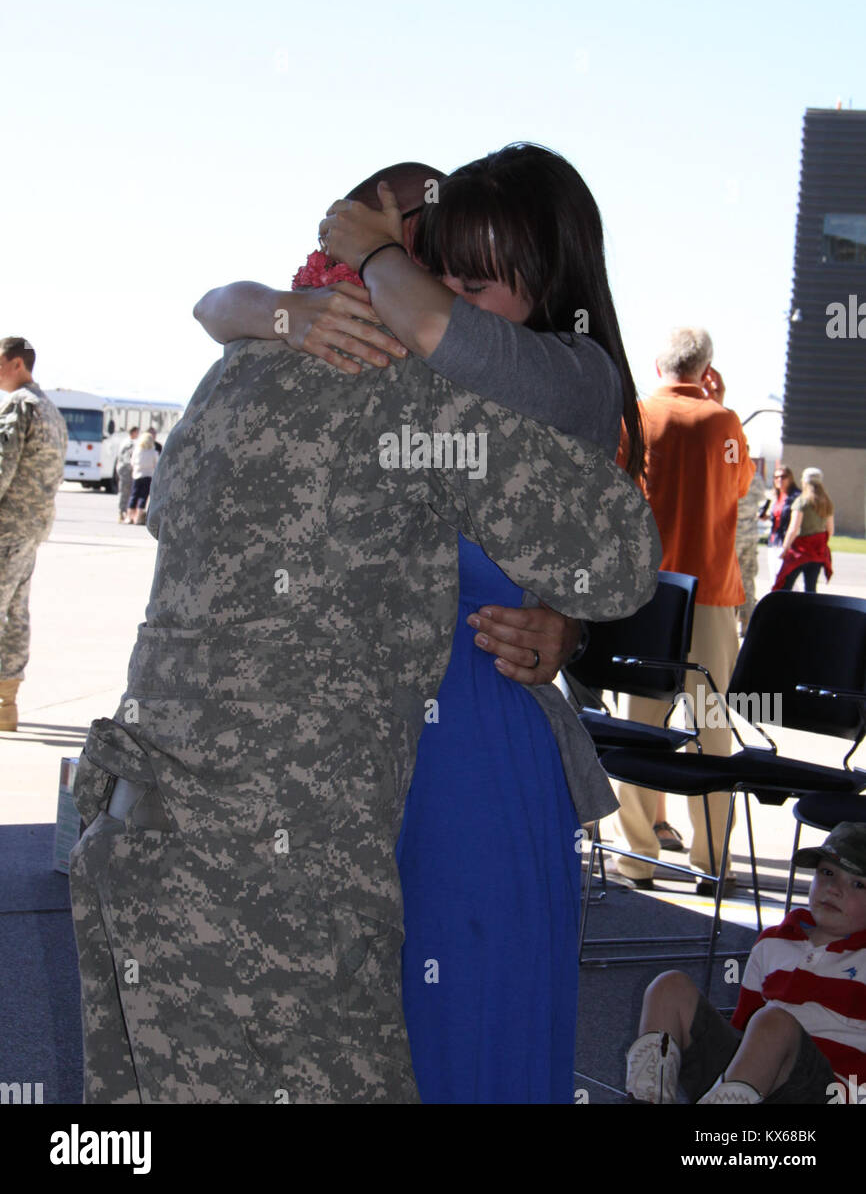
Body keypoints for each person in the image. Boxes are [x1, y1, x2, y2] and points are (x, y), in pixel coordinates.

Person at [69, 159, 659, 1104]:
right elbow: (220, 305)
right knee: (360, 1031)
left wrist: (569, 630)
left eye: (474, 280)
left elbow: (610, 563)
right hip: (362, 771)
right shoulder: (387, 367)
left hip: (471, 747)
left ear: (552, 283)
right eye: (440, 269)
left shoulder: (563, 372)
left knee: (463, 1033)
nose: (442, 300)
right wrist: (276, 309)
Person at [613, 327, 755, 894]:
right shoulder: (723, 423)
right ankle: (712, 860)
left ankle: (638, 856)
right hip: (712, 593)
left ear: (656, 364)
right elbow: (741, 483)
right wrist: (718, 407)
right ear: (707, 368)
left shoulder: (639, 416)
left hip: (649, 595)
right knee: (711, 729)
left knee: (638, 727)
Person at [624, 821, 866, 1104]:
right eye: (827, 873)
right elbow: (745, 1026)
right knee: (668, 986)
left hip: (828, 1092)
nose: (834, 889)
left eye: (858, 884)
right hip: (751, 1082)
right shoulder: (772, 943)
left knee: (773, 1021)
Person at [0, 337, 67, 732]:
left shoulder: (20, 406)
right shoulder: (50, 410)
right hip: (30, 526)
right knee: (15, 612)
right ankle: (7, 703)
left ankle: (6, 704)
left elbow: (2, 470)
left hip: (7, 526)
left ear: (17, 364)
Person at [773, 466, 834, 593]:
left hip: (800, 551)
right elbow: (830, 530)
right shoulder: (827, 502)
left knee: (785, 585)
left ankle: (782, 611)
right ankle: (810, 612)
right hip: (817, 552)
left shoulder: (802, 501)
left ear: (804, 481)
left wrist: (785, 549)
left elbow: (793, 529)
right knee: (811, 588)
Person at [735, 466, 768, 636]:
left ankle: (732, 623)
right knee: (747, 580)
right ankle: (746, 624)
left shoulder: (730, 472)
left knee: (730, 580)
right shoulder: (754, 475)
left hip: (733, 532)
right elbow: (761, 498)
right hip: (750, 532)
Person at [762, 463, 800, 586]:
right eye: (776, 477)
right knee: (774, 578)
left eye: (783, 477)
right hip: (774, 541)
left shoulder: (796, 497)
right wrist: (766, 516)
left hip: (788, 543)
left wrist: (786, 546)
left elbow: (795, 522)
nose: (779, 480)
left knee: (785, 580)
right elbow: (777, 516)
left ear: (790, 478)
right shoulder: (775, 496)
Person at [128, 430, 157, 525]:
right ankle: (138, 517)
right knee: (143, 496)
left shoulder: (137, 450)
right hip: (148, 475)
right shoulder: (153, 452)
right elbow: (156, 464)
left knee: (134, 495)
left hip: (137, 475)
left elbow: (132, 462)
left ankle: (129, 517)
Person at [116, 426, 139, 523]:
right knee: (125, 492)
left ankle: (123, 512)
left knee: (126, 492)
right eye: (137, 432)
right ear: (133, 432)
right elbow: (127, 458)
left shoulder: (125, 441)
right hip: (126, 469)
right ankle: (122, 512)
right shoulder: (130, 443)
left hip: (123, 468)